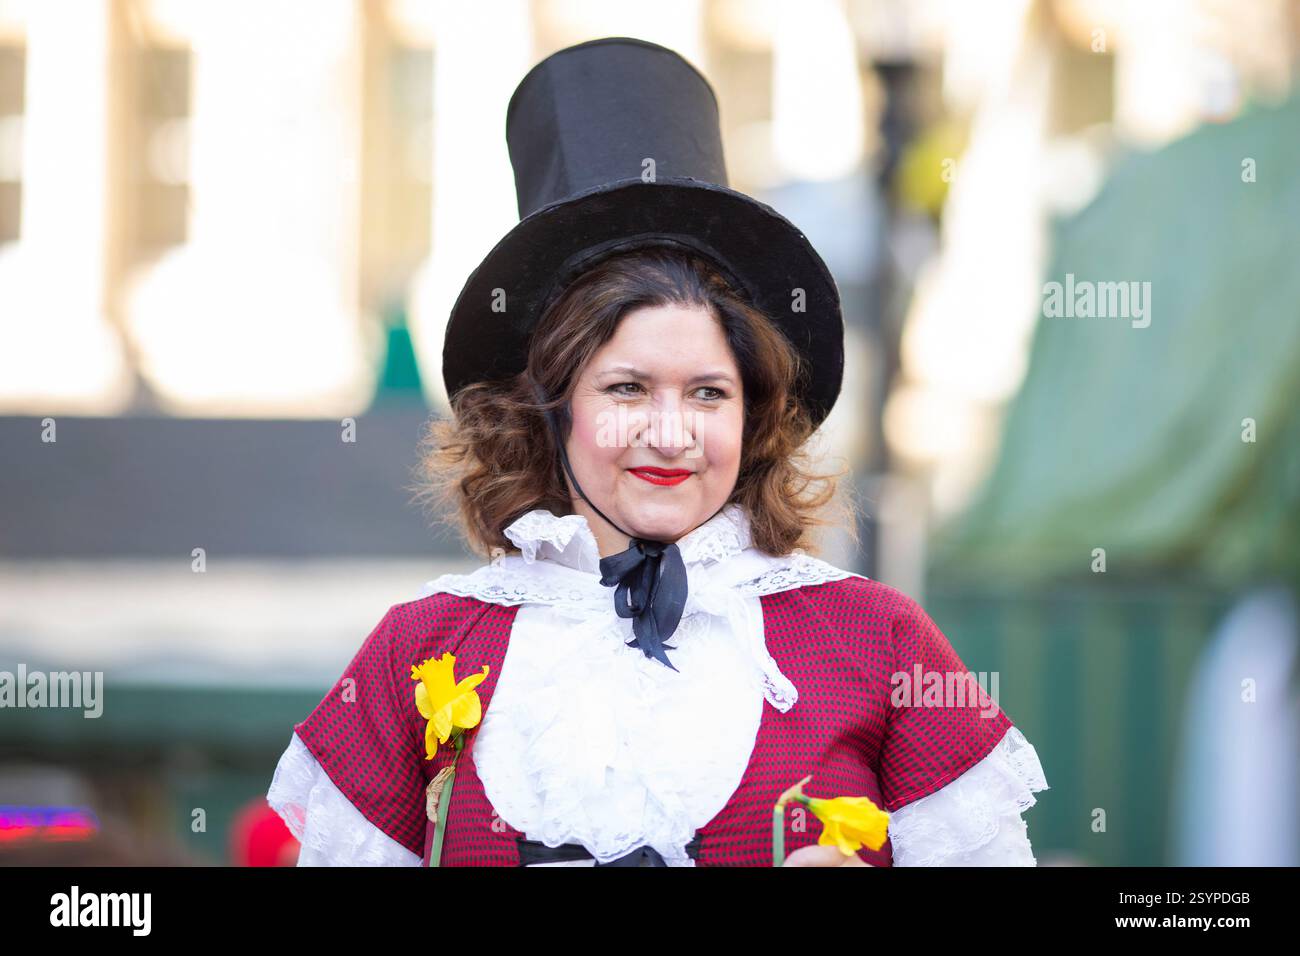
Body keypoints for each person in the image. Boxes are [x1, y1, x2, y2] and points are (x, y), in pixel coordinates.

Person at [266, 36, 1047, 867]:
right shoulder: (418, 649)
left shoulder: (878, 640)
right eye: (628, 389)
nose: (671, 434)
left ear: (754, 416)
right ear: (548, 409)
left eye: (709, 393)